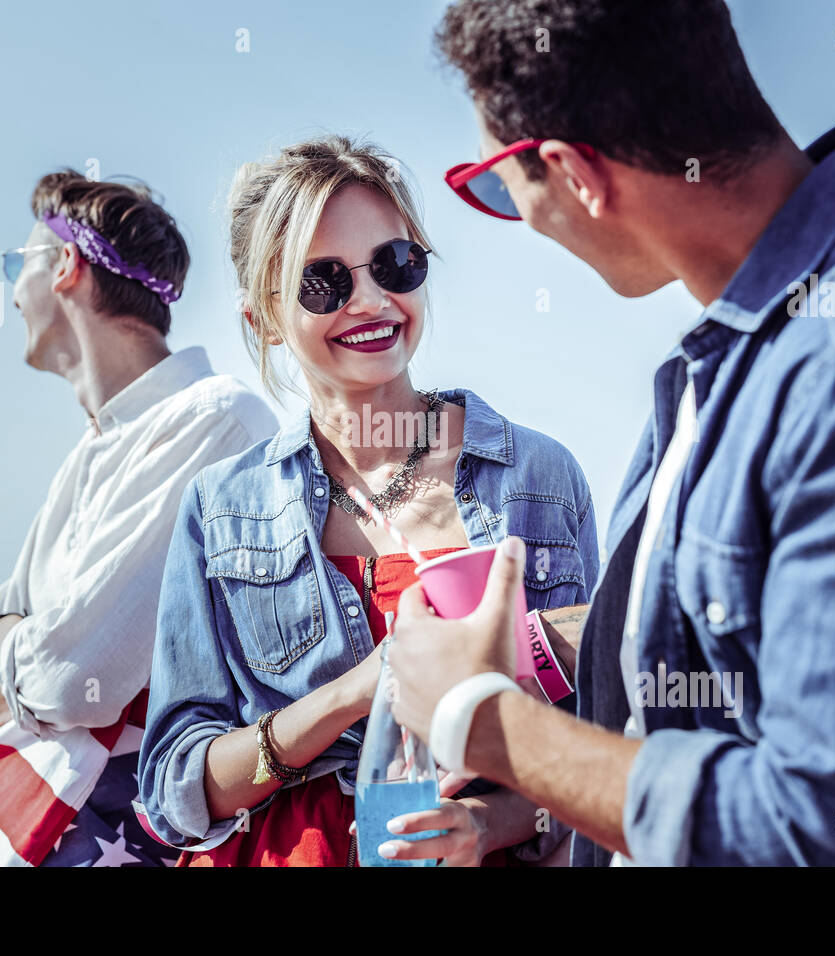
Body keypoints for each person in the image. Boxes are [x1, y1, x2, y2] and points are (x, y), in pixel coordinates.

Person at [386, 0, 835, 866]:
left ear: (573, 173)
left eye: (497, 189)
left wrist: (484, 720)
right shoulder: (756, 344)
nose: (524, 224)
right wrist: (543, 789)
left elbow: (830, 835)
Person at [136, 136, 599, 866]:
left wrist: (483, 824)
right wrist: (358, 692)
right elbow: (176, 789)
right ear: (262, 316)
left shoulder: (539, 477)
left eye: (396, 265)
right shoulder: (221, 504)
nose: (374, 301)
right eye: (324, 282)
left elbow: (596, 746)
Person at [0, 170, 278, 867]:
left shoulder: (216, 422)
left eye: (16, 264)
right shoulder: (93, 455)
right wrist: (37, 656)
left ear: (64, 266)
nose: (9, 291)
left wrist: (8, 640)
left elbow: (71, 683)